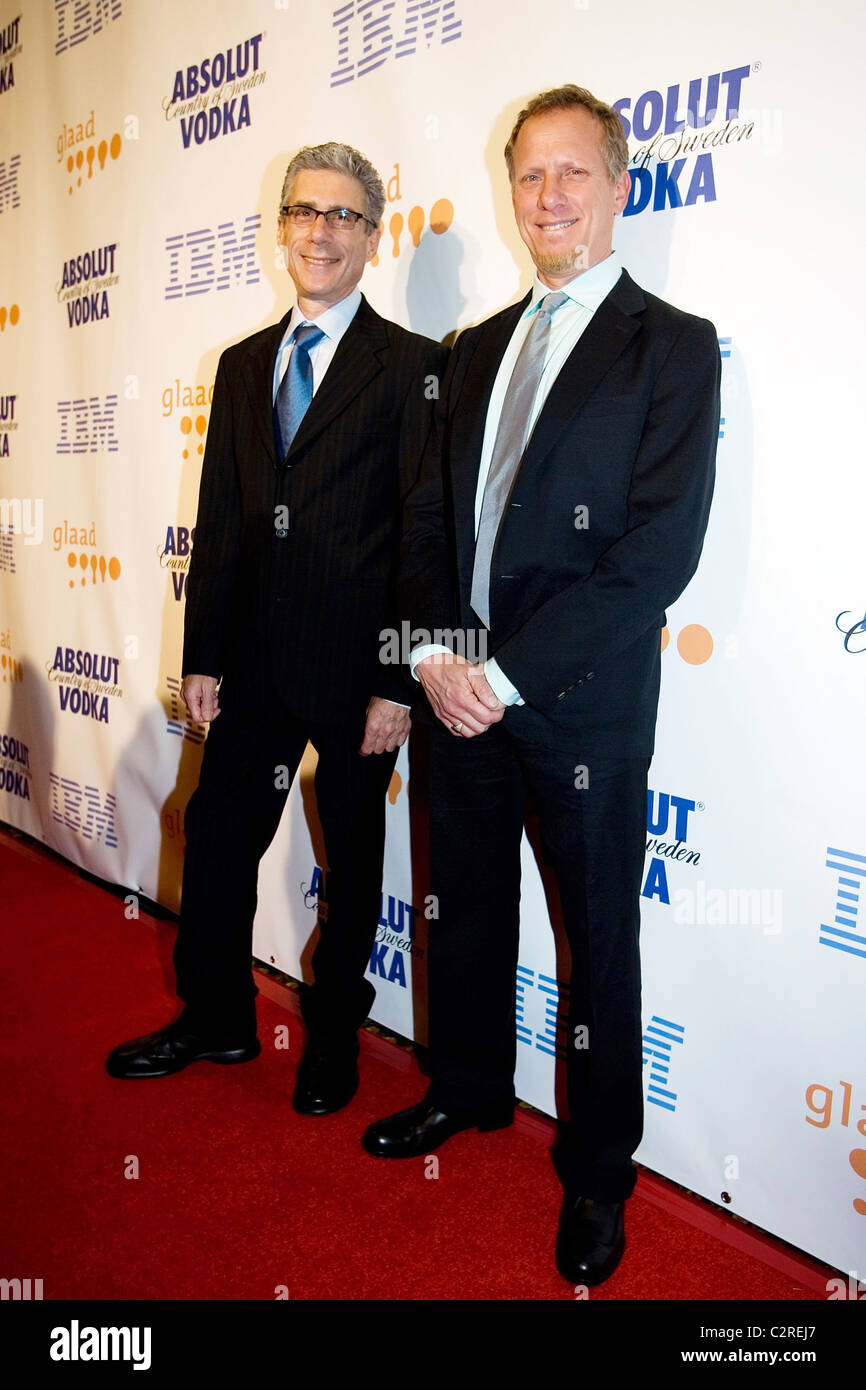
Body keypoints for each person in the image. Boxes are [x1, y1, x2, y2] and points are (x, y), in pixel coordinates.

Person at [362, 86, 720, 1287]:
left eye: (573, 172)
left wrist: (504, 674)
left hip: (576, 705)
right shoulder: (470, 351)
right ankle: (464, 1092)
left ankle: (598, 1176)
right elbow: (420, 521)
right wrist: (425, 655)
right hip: (453, 689)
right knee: (458, 909)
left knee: (595, 945)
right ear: (509, 190)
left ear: (619, 187)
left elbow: (656, 553)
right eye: (528, 175)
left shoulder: (668, 345)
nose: (549, 196)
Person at [107, 143, 446, 1117]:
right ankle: (215, 1017)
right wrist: (202, 656)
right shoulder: (245, 364)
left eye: (342, 216)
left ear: (372, 238)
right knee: (215, 836)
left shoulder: (416, 369)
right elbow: (218, 519)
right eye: (305, 211)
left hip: (356, 672)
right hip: (252, 660)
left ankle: (334, 1037)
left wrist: (399, 679)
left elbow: (428, 540)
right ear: (282, 226)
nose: (320, 231)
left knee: (350, 859)